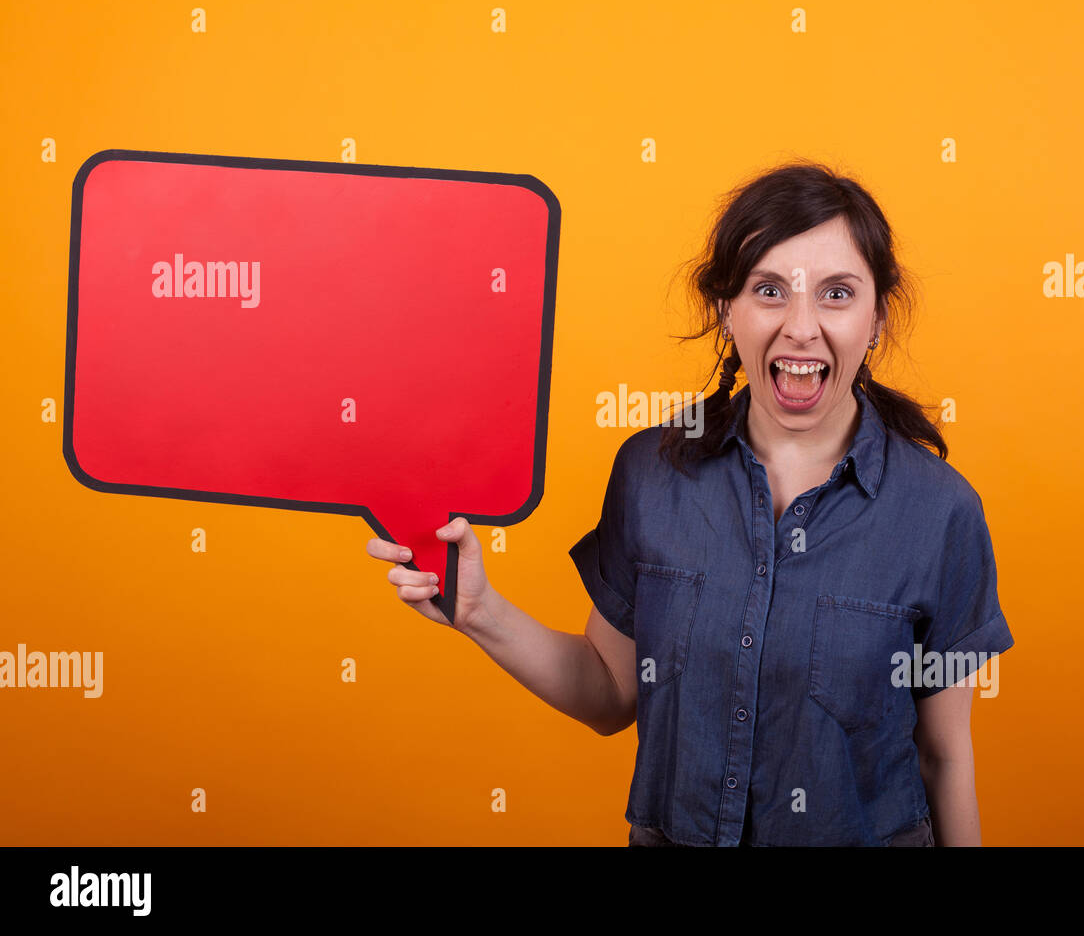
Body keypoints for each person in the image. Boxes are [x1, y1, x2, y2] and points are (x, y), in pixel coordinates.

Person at [366, 159, 1014, 846]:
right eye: (769, 290)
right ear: (725, 309)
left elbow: (943, 757)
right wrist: (480, 613)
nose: (800, 328)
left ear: (877, 317)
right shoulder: (652, 474)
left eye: (836, 294)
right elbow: (611, 692)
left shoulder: (939, 513)